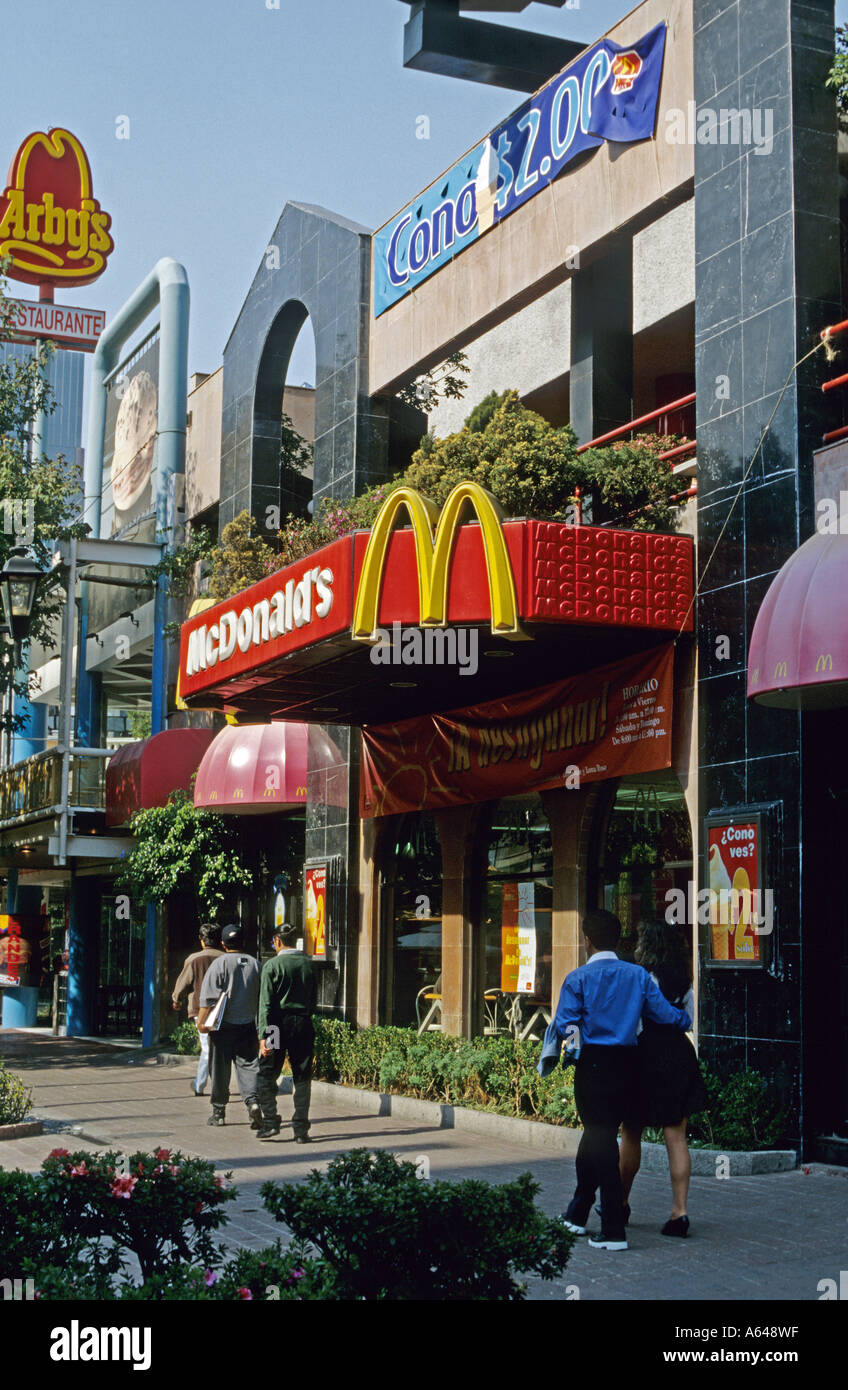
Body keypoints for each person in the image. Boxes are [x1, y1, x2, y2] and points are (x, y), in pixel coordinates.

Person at [550, 908, 691, 1251]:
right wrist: (684, 1019)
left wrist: (572, 1047)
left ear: (587, 941)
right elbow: (663, 1014)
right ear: (618, 940)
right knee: (596, 1137)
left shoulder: (578, 979)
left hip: (594, 1065)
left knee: (600, 1140)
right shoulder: (637, 976)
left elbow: (565, 1024)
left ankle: (613, 1226)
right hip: (629, 1065)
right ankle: (577, 1212)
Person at [618, 919, 708, 1238]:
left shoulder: (640, 976)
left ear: (647, 945)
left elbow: (633, 1021)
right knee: (677, 1136)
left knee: (631, 1131)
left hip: (645, 1055)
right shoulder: (685, 978)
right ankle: (679, 1212)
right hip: (679, 1055)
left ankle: (621, 1203)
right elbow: (691, 1020)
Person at [255, 923, 317, 1142]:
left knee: (267, 1073)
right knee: (302, 1075)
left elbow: (265, 1004)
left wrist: (263, 1035)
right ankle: (301, 1130)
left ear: (278, 941)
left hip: (275, 1024)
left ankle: (270, 1122)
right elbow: (313, 1000)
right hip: (302, 1022)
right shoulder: (309, 965)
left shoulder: (271, 966)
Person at [196, 924, 262, 1129]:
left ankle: (219, 1112)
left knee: (220, 1069)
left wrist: (201, 1023)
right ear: (243, 942)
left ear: (223, 944)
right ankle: (252, 1102)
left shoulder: (219, 964)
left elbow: (207, 999)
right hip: (248, 1026)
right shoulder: (256, 964)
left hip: (222, 1027)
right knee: (249, 1066)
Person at [171, 923, 223, 1097]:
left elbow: (183, 983)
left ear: (202, 940)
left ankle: (200, 1085)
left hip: (200, 1009)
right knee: (219, 1047)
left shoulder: (193, 959)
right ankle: (215, 1083)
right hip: (223, 1008)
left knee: (207, 1047)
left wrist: (176, 1000)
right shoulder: (225, 958)